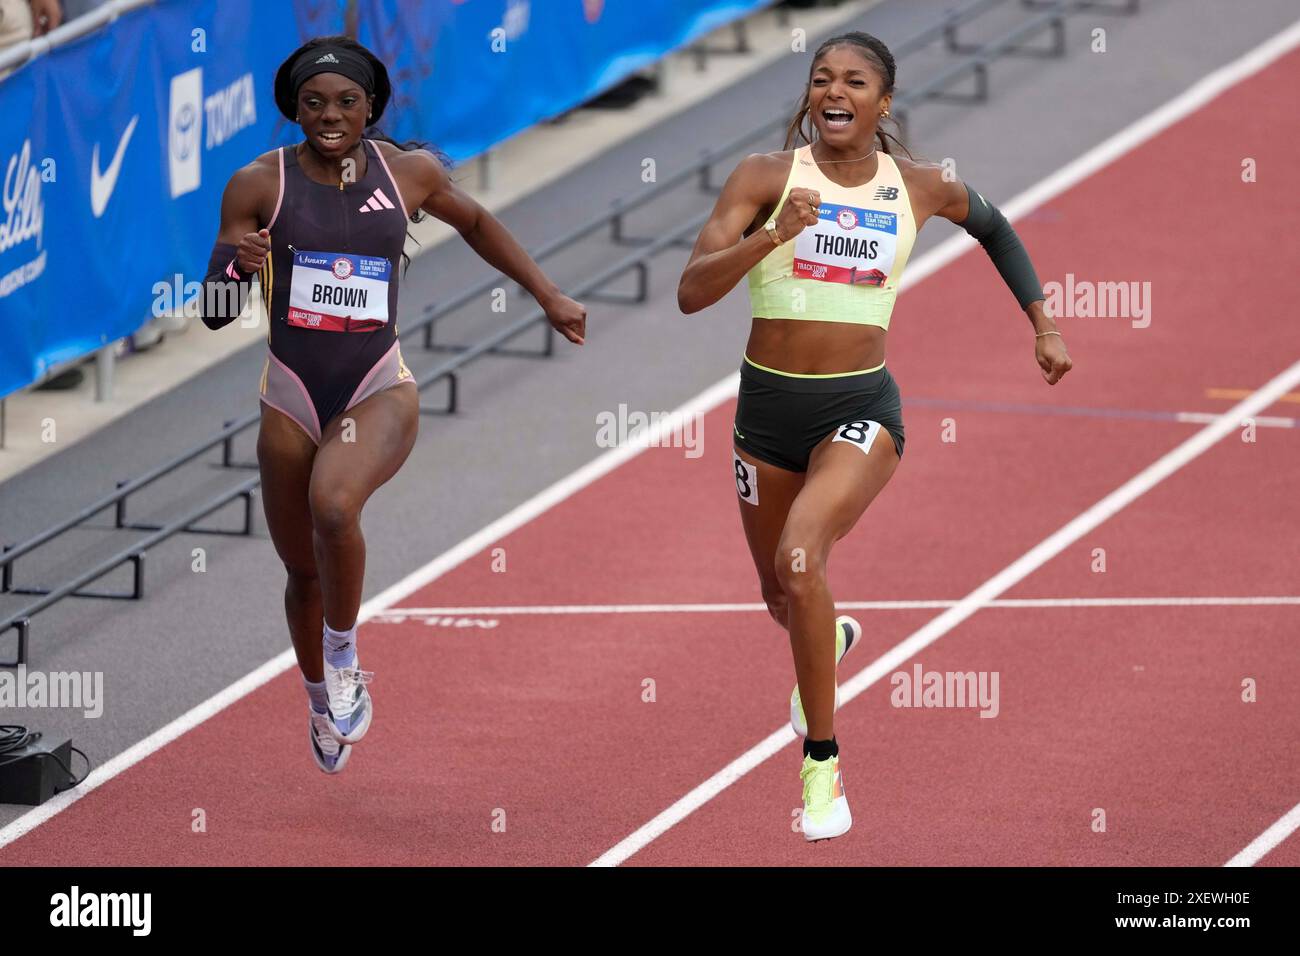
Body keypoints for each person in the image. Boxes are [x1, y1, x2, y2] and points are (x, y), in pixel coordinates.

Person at [677, 31, 1071, 841]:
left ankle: (822, 768)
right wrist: (772, 235)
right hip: (764, 418)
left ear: (883, 102)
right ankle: (831, 635)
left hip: (859, 411)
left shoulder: (920, 186)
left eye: (855, 81)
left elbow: (994, 228)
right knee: (781, 595)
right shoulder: (764, 178)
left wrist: (1043, 322)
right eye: (822, 78)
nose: (836, 91)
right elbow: (691, 292)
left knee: (800, 554)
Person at [201, 36, 586, 773]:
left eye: (346, 102)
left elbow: (473, 221)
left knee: (335, 508)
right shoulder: (257, 184)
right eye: (314, 103)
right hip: (289, 397)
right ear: (295, 110)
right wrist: (233, 268)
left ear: (371, 107)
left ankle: (344, 659)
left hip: (377, 385)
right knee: (302, 572)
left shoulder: (407, 173)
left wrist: (547, 294)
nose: (330, 115)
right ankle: (319, 700)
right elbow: (216, 313)